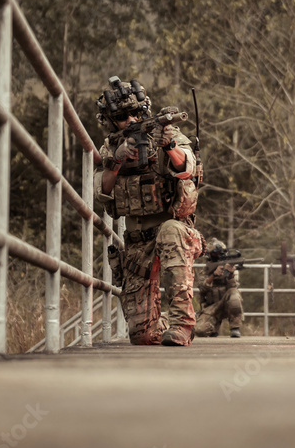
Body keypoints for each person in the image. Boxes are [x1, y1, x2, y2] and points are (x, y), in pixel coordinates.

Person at [93, 76, 204, 346]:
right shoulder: (110, 148)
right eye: (122, 116)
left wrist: (169, 147)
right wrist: (118, 160)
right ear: (111, 120)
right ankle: (161, 322)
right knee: (142, 336)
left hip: (173, 231)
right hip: (136, 242)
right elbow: (101, 192)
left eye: (136, 113)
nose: (131, 120)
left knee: (170, 231)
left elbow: (187, 168)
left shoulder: (169, 135)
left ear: (145, 111)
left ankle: (182, 324)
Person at [195, 238, 244, 338]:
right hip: (211, 307)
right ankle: (214, 329)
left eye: (221, 253)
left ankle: (235, 327)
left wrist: (230, 275)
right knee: (200, 331)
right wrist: (213, 276)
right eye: (215, 253)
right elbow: (202, 289)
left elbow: (233, 288)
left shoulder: (229, 266)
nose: (219, 256)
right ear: (210, 255)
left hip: (226, 304)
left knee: (234, 295)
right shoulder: (205, 269)